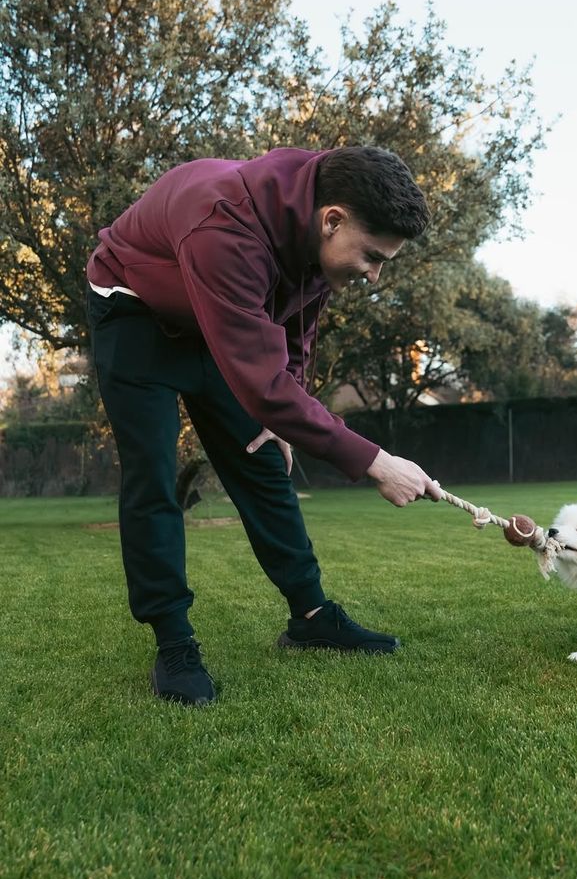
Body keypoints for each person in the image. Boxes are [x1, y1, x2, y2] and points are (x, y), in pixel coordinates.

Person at [86, 145, 442, 707]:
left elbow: (295, 335)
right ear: (333, 221)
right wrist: (378, 463)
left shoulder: (315, 234)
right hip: (134, 312)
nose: (373, 275)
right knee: (152, 475)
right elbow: (262, 382)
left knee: (262, 457)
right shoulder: (225, 228)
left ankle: (312, 616)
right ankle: (174, 643)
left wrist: (283, 417)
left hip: (212, 315)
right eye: (373, 257)